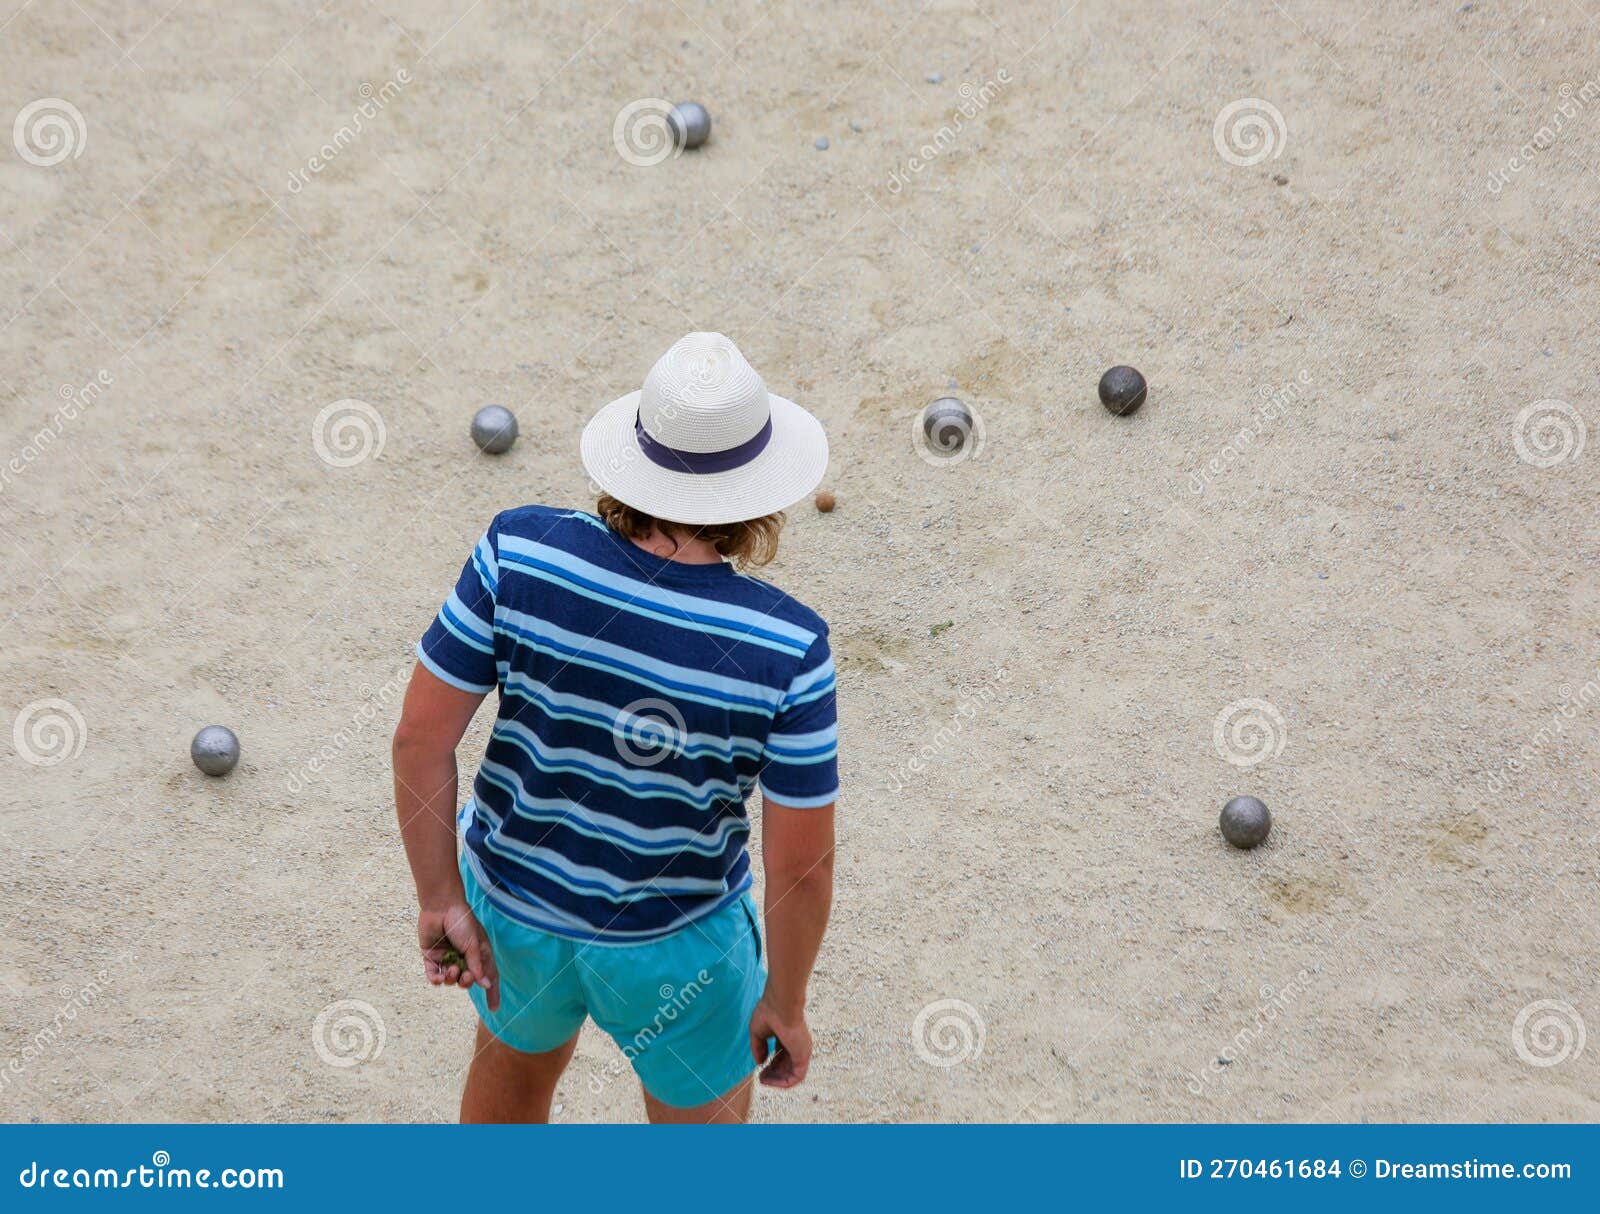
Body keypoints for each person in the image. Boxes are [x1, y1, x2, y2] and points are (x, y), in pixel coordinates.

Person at [391, 332, 837, 1124]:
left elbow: (420, 740)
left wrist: (439, 896)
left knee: (508, 1099)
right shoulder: (787, 648)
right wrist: (787, 1003)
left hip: (515, 912)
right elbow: (799, 866)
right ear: (758, 492)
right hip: (680, 946)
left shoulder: (518, 553)